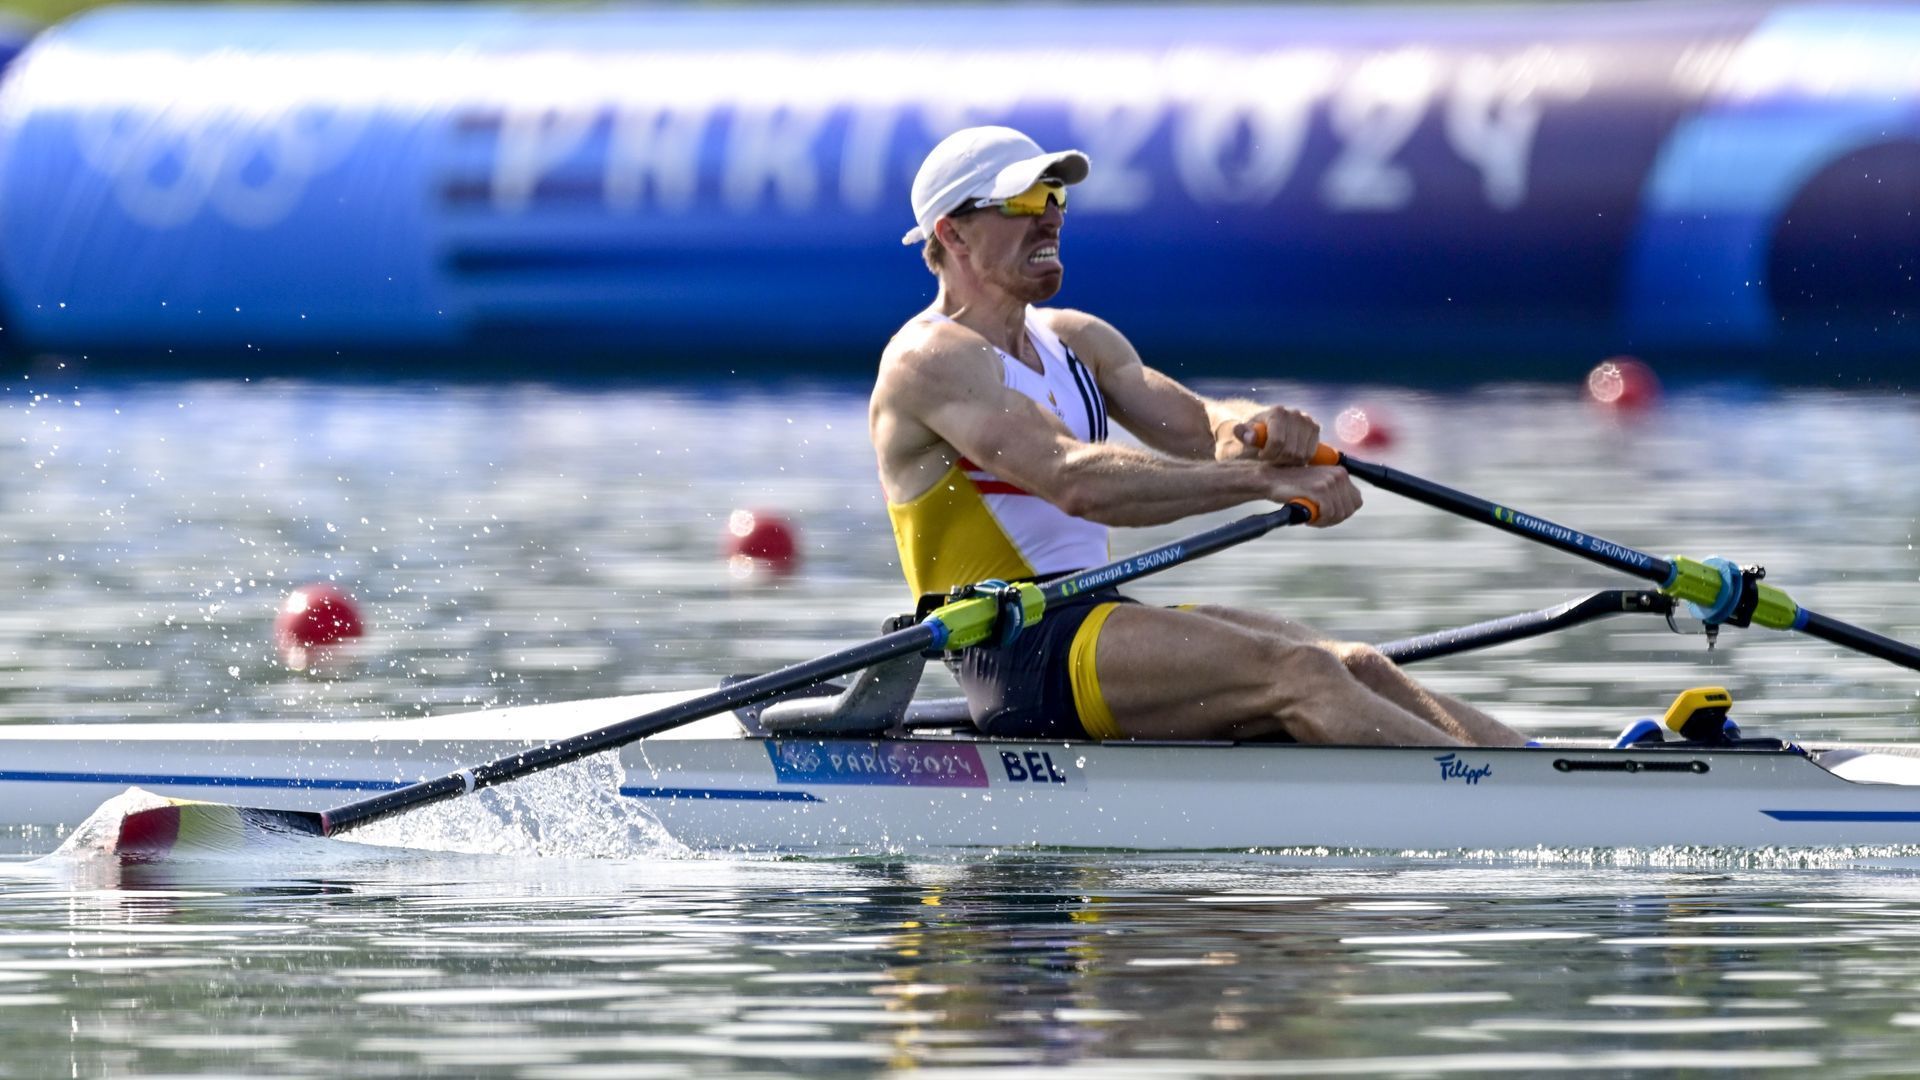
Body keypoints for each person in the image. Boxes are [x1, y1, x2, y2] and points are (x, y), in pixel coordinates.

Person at [870, 126, 1525, 748]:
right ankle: (1493, 797)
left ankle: (1545, 766)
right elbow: (1074, 481)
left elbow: (1201, 428)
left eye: (1055, 195)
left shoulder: (1075, 340)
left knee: (1356, 664)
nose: (1050, 217)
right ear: (952, 232)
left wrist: (1260, 433)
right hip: (1016, 652)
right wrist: (1262, 481)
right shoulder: (928, 359)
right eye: (1023, 200)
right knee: (1303, 674)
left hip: (1091, 619)